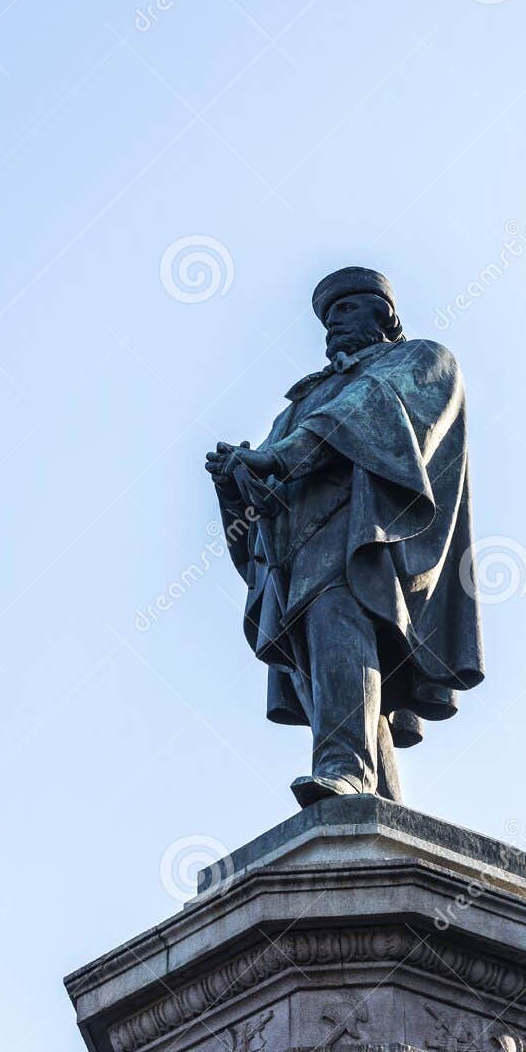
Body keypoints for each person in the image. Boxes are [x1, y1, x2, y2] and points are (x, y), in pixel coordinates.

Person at [206, 267, 483, 807]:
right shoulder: (303, 399)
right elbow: (271, 467)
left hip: (366, 532)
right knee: (323, 662)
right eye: (328, 317)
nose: (334, 323)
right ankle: (379, 797)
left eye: (348, 309)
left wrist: (280, 456)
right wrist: (237, 476)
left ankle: (345, 767)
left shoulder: (421, 359)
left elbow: (379, 410)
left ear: (386, 314)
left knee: (342, 621)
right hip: (295, 547)